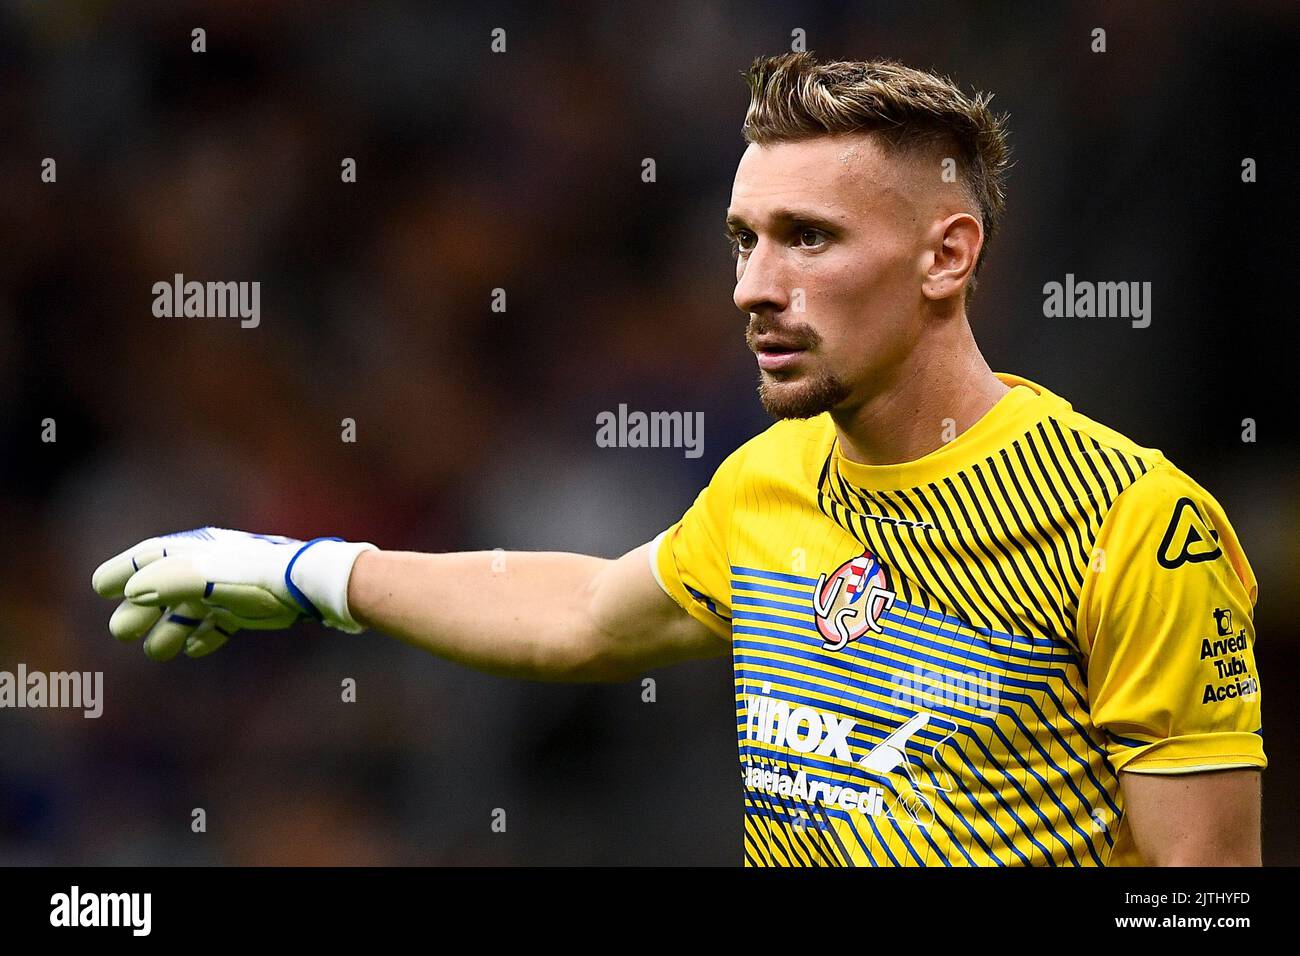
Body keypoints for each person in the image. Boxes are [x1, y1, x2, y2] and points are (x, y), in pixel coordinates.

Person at [91, 52, 1265, 867]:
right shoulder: (768, 481)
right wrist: (310, 569)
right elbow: (586, 612)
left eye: (809, 237)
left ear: (945, 256)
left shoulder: (1131, 520)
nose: (755, 286)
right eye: (744, 240)